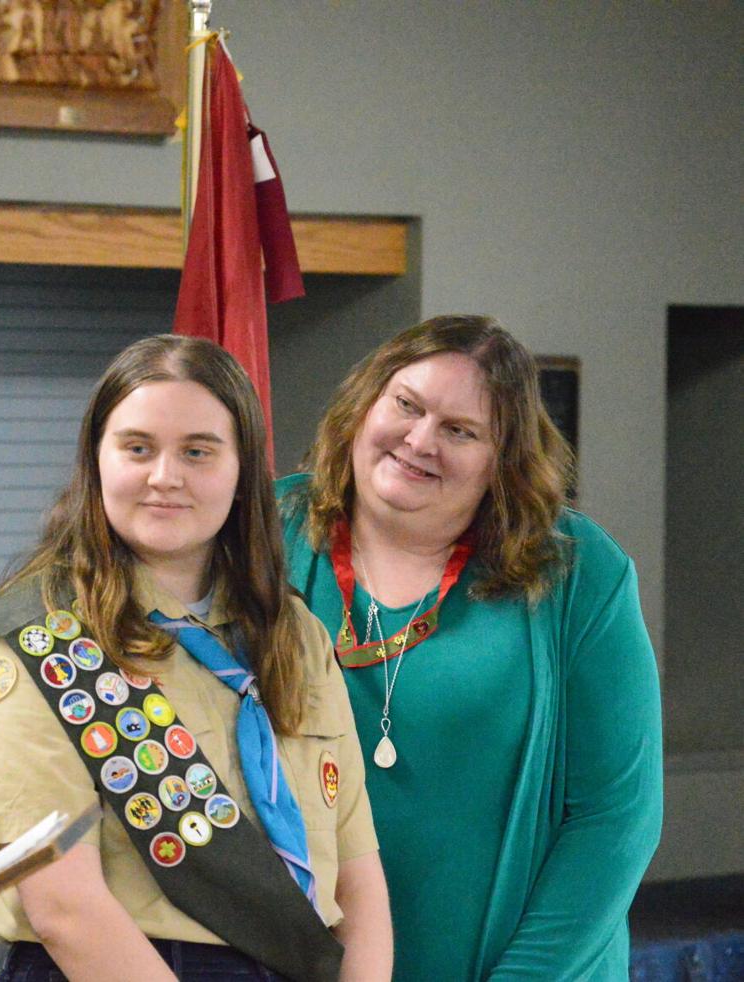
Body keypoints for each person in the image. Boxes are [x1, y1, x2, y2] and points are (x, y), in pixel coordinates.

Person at [0, 335, 393, 982]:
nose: (165, 476)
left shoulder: (292, 632)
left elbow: (357, 874)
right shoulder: (34, 643)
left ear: (242, 471)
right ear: (95, 462)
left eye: (197, 451)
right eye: (137, 448)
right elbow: (65, 909)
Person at [277, 315, 663, 980]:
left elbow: (615, 817)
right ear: (364, 403)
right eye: (406, 405)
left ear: (500, 461)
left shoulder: (576, 572)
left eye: (461, 431)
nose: (420, 440)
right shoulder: (265, 528)